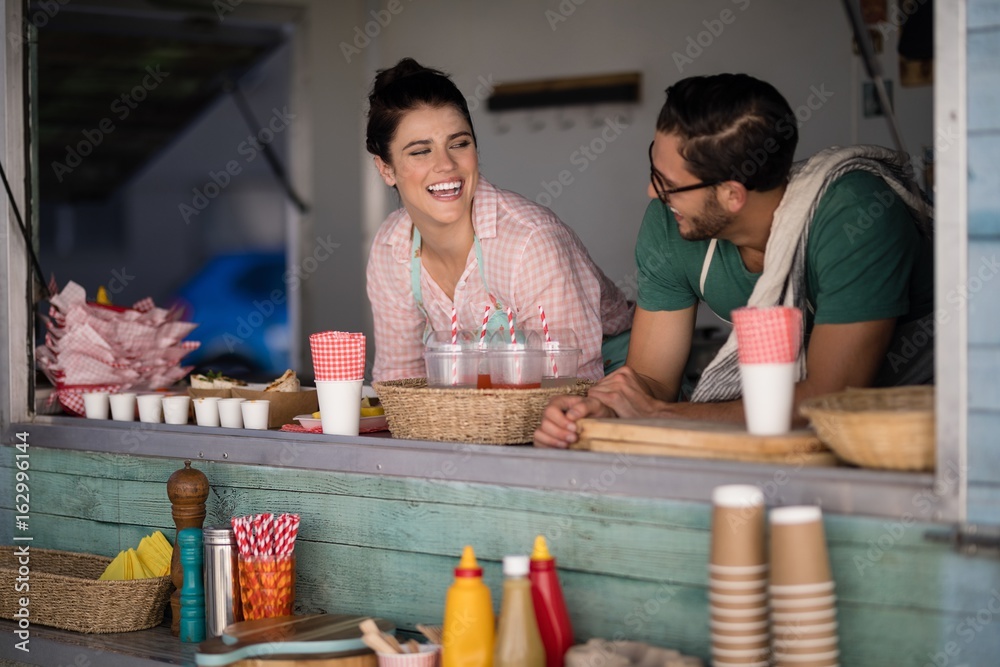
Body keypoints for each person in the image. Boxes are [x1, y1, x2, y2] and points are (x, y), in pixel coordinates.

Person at [535, 73, 934, 448]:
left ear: (732, 194)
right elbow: (651, 378)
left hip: (916, 423)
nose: (652, 194)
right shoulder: (668, 225)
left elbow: (827, 404)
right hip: (787, 429)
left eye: (668, 185)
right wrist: (602, 406)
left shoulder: (855, 216)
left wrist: (663, 415)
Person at [365, 58, 633, 382]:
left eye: (459, 144)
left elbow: (570, 388)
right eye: (421, 151)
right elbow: (400, 378)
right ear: (386, 169)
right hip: (499, 407)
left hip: (614, 385)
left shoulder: (530, 243)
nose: (446, 164)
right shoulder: (392, 247)